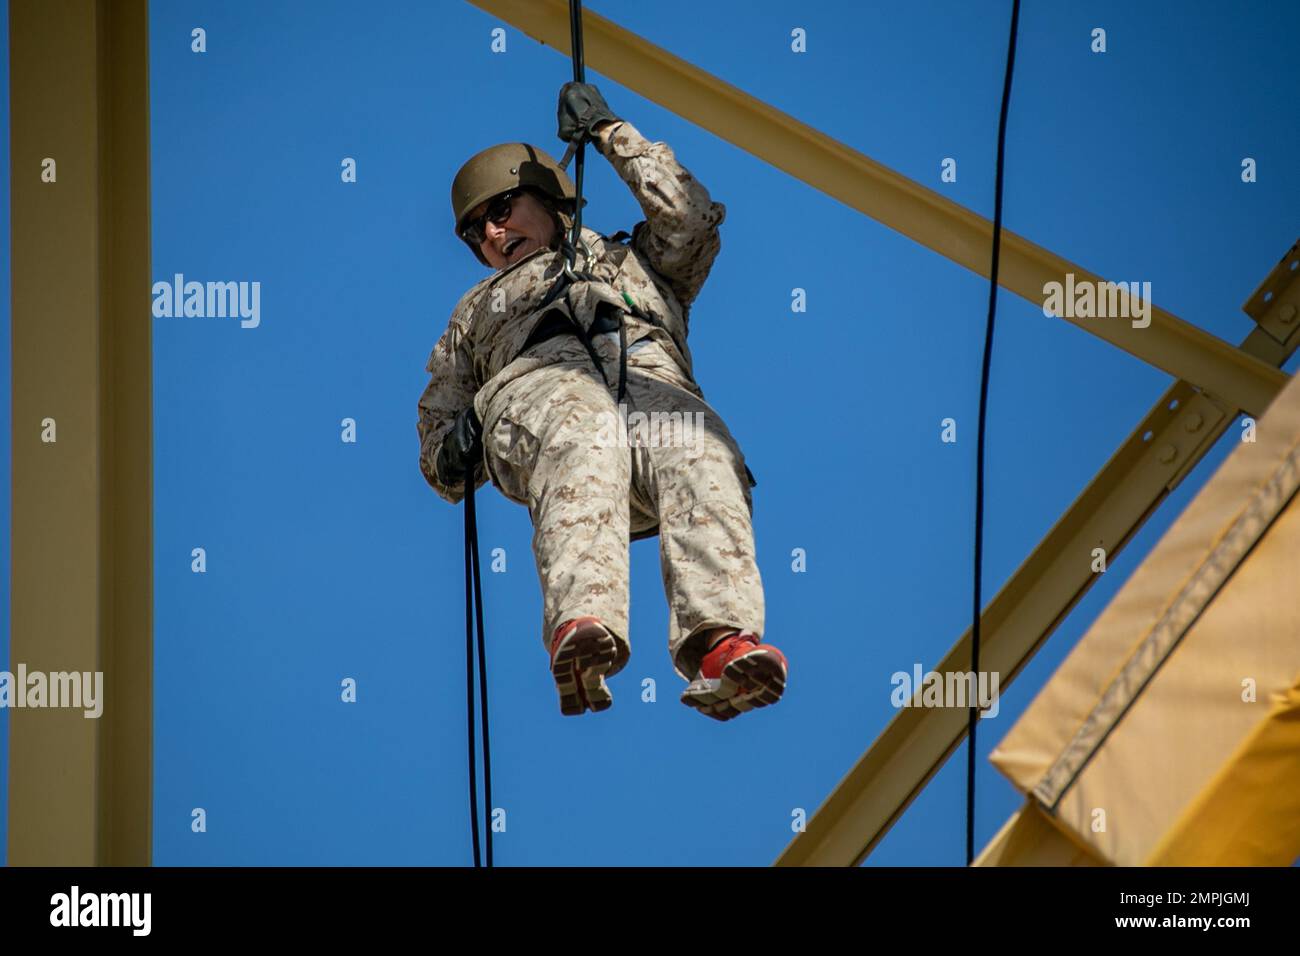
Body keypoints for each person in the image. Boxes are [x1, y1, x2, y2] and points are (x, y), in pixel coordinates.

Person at [418, 82, 787, 721]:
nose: (492, 232)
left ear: (551, 201)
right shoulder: (474, 314)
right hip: (538, 399)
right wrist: (458, 446)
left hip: (647, 391)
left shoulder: (635, 262)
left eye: (503, 208)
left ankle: (721, 644)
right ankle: (583, 626)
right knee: (582, 425)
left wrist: (613, 136)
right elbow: (438, 446)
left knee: (699, 446)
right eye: (476, 230)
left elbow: (691, 217)